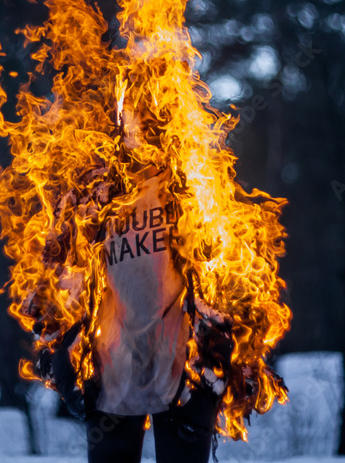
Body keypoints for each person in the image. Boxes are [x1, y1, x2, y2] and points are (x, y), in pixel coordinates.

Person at [41, 100, 224, 463]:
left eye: (143, 125)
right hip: (114, 379)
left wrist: (218, 366)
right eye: (126, 125)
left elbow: (219, 276)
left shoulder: (185, 188)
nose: (134, 134)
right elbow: (63, 286)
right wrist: (61, 363)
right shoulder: (95, 196)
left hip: (181, 378)